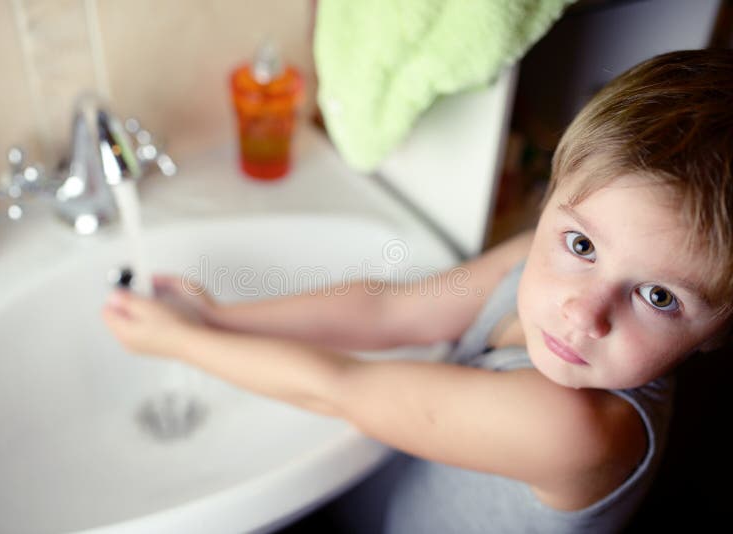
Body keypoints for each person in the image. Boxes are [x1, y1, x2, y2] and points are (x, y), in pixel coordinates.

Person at [103, 49, 733, 533]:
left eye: (658, 298)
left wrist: (181, 342)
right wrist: (222, 318)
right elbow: (391, 307)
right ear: (552, 198)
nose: (585, 313)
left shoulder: (574, 427)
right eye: (582, 246)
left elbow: (338, 387)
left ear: (720, 330)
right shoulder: (529, 260)